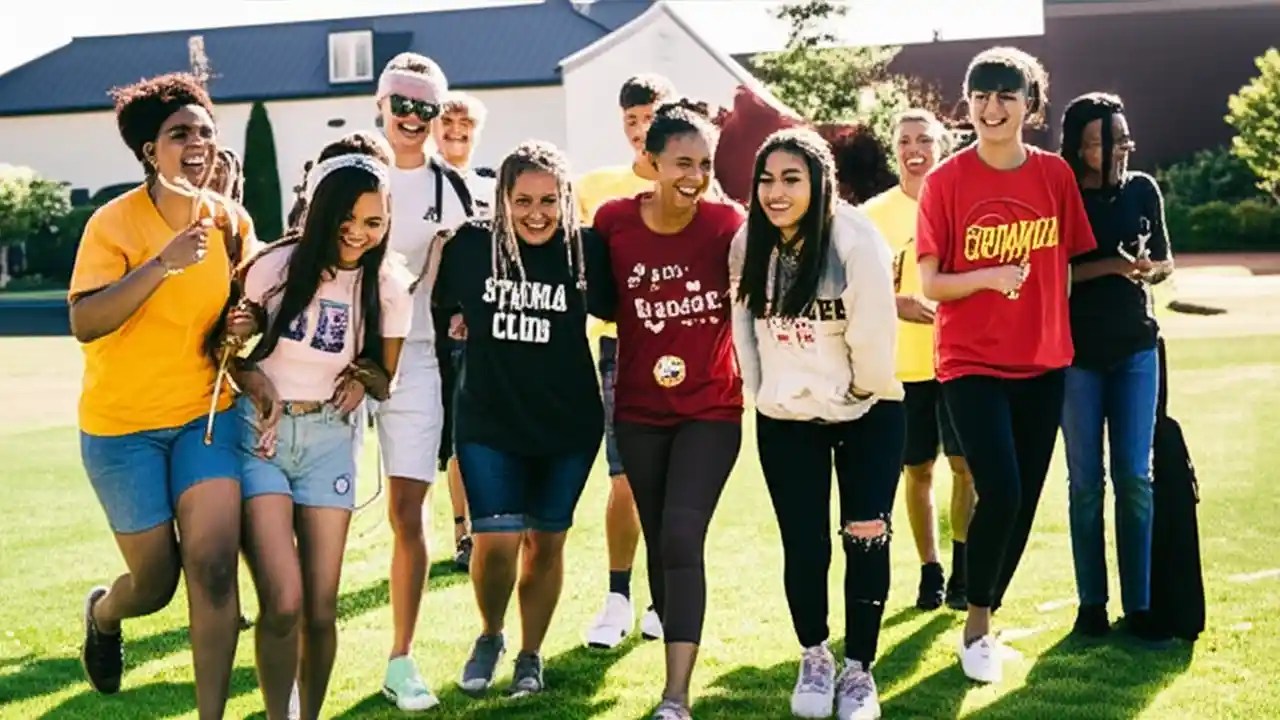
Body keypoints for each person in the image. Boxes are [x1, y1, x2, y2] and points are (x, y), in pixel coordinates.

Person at [69, 72, 270, 719]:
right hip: (121, 429)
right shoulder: (114, 223)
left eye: (205, 132)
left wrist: (249, 322)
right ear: (149, 151)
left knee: (213, 568)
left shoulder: (233, 224)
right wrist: (162, 263)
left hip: (203, 419)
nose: (197, 143)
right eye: (179, 133)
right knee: (154, 586)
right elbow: (85, 321)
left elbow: (254, 309)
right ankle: (104, 613)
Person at [914, 47, 1097, 684]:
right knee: (1005, 489)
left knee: (1019, 503)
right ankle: (977, 625)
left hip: (1044, 362)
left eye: (1006, 96)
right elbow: (932, 284)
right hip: (970, 362)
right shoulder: (945, 182)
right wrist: (990, 276)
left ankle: (985, 609)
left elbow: (1068, 266)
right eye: (980, 96)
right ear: (967, 104)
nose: (991, 108)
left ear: (1030, 106)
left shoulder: (1055, 177)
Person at [226, 132, 413, 719]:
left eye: (375, 222)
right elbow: (224, 351)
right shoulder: (271, 268)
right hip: (262, 437)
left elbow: (388, 377)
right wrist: (241, 359)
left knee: (321, 609)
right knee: (281, 603)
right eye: (349, 219)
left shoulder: (387, 286)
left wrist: (364, 378)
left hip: (332, 439)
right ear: (322, 212)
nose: (360, 233)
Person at [419, 140, 604, 697]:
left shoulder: (586, 251)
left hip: (566, 423)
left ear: (566, 199)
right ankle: (490, 634)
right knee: (494, 542)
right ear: (501, 199)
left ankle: (530, 654)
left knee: (545, 545)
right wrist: (456, 321)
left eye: (550, 200)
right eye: (522, 200)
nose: (537, 213)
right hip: (489, 419)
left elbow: (632, 306)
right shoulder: (470, 247)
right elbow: (435, 305)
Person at [731, 127, 904, 720]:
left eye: (791, 179)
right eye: (766, 180)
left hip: (868, 409)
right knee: (803, 540)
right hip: (788, 416)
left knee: (864, 533)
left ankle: (859, 670)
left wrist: (860, 387)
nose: (776, 193)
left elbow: (876, 327)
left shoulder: (855, 238)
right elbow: (744, 328)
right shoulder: (747, 241)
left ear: (819, 181)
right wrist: (765, 393)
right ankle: (816, 655)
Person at [587, 98, 746, 720]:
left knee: (683, 532)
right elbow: (587, 295)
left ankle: (675, 697)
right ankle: (669, 669)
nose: (694, 175)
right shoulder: (612, 222)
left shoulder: (726, 222)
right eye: (682, 162)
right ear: (650, 162)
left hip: (711, 406)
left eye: (704, 164)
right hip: (638, 408)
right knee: (659, 541)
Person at [370, 52, 474, 711]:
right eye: (400, 105)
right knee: (310, 515)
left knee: (409, 512)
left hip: (420, 361)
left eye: (424, 108)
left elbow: (463, 283)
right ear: (380, 104)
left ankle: (400, 660)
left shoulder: (457, 190)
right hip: (339, 363)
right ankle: (300, 645)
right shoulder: (344, 172)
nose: (411, 118)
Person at [1058, 92, 1174, 643]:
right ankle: (1091, 605)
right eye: (1111, 138)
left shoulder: (1143, 189)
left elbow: (1167, 260)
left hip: (1136, 351)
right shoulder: (1060, 196)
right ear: (1082, 146)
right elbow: (1053, 279)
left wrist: (1152, 270)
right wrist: (1110, 266)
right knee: (1086, 485)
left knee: (1135, 478)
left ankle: (1142, 605)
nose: (1123, 146)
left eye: (1126, 136)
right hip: (1076, 357)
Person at [862, 110, 975, 612]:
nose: (915, 148)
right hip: (901, 367)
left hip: (959, 360)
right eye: (905, 139)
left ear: (942, 144)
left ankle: (965, 569)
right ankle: (931, 569)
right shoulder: (871, 216)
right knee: (918, 470)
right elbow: (855, 293)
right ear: (895, 148)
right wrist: (898, 305)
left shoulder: (963, 200)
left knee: (965, 467)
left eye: (925, 139)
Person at [578, 72, 675, 649]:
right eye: (631, 121)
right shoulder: (596, 190)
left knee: (671, 484)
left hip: (686, 350)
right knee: (626, 480)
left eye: (650, 119)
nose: (641, 131)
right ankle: (618, 596)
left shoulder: (700, 187)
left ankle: (665, 599)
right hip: (620, 346)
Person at [429, 89, 497, 573]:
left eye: (465, 128)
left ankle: (494, 524)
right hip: (436, 321)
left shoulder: (492, 186)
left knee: (490, 427)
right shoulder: (422, 184)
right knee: (454, 433)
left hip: (488, 321)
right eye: (447, 126)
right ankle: (462, 531)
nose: (456, 135)